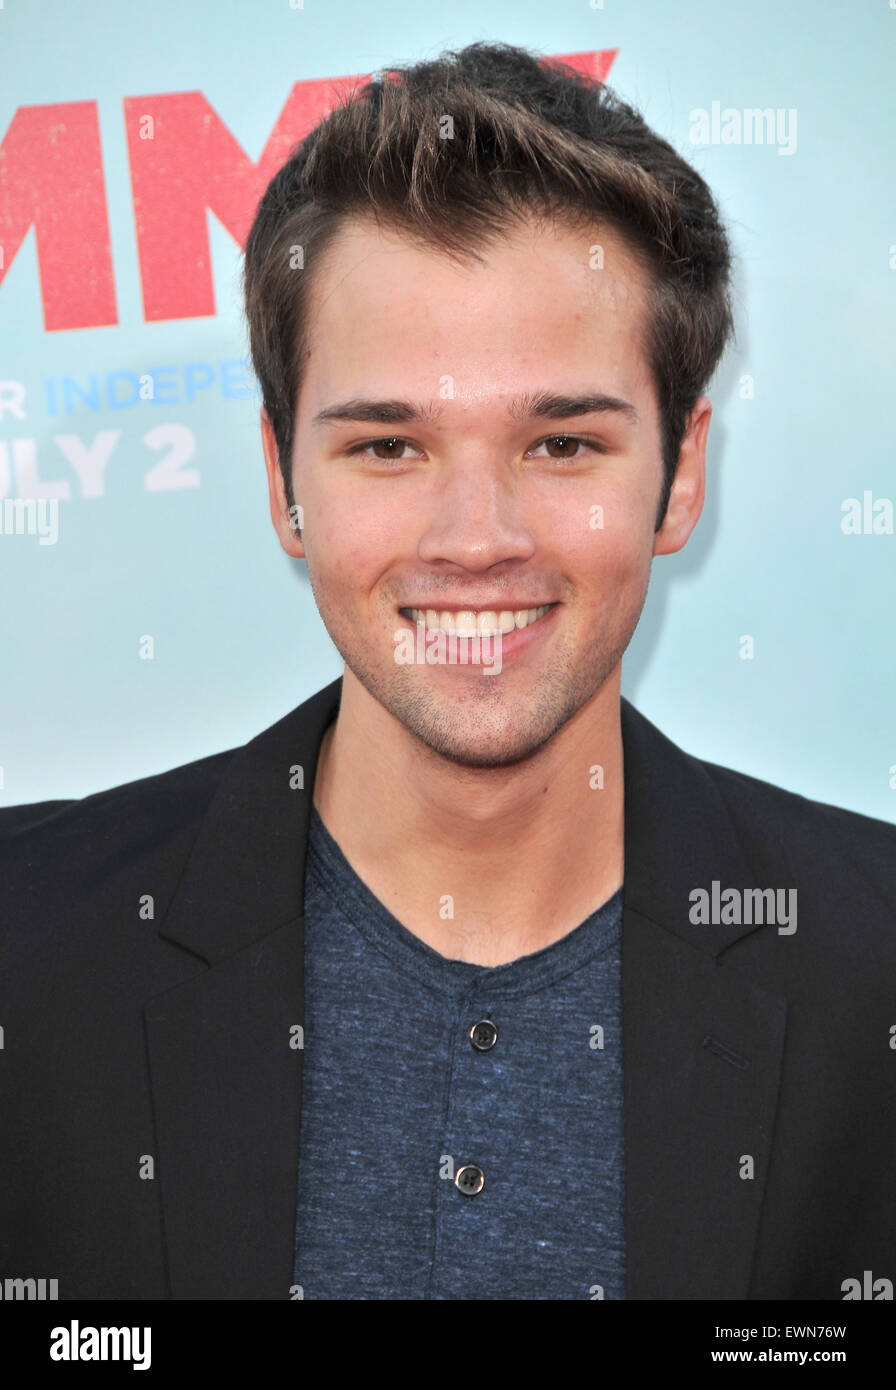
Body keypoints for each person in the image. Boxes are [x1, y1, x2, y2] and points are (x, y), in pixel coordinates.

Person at [1, 41, 893, 1302]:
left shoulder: (873, 962)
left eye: (562, 441)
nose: (476, 538)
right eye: (388, 447)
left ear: (681, 474)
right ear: (281, 483)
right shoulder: (27, 943)